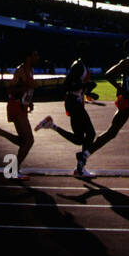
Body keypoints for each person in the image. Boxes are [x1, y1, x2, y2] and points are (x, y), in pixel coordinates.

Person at [37, 47, 100, 177]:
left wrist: (90, 93)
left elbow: (79, 86)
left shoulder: (84, 66)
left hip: (76, 102)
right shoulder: (78, 66)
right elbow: (66, 86)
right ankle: (81, 164)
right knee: (91, 134)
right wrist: (85, 86)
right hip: (73, 102)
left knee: (79, 139)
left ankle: (52, 126)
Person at [0, 47, 41, 179]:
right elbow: (10, 89)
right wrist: (28, 87)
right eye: (35, 55)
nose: (37, 57)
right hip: (15, 106)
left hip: (22, 106)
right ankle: (13, 170)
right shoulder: (20, 71)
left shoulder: (30, 70)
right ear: (28, 57)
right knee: (28, 141)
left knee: (25, 141)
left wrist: (29, 102)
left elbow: (26, 91)